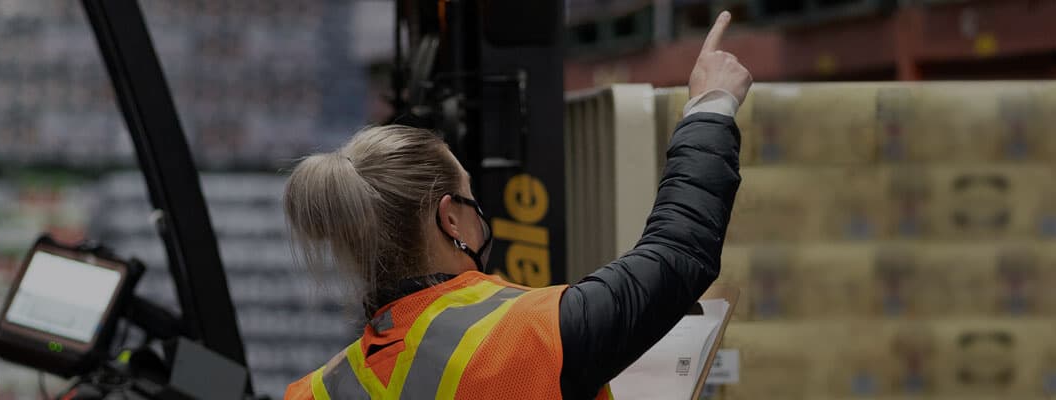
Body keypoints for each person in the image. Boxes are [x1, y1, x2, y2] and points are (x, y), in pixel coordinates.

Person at [281, 11, 752, 400]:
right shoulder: (533, 334)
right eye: (469, 195)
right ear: (449, 218)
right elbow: (676, 253)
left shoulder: (312, 393)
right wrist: (711, 105)